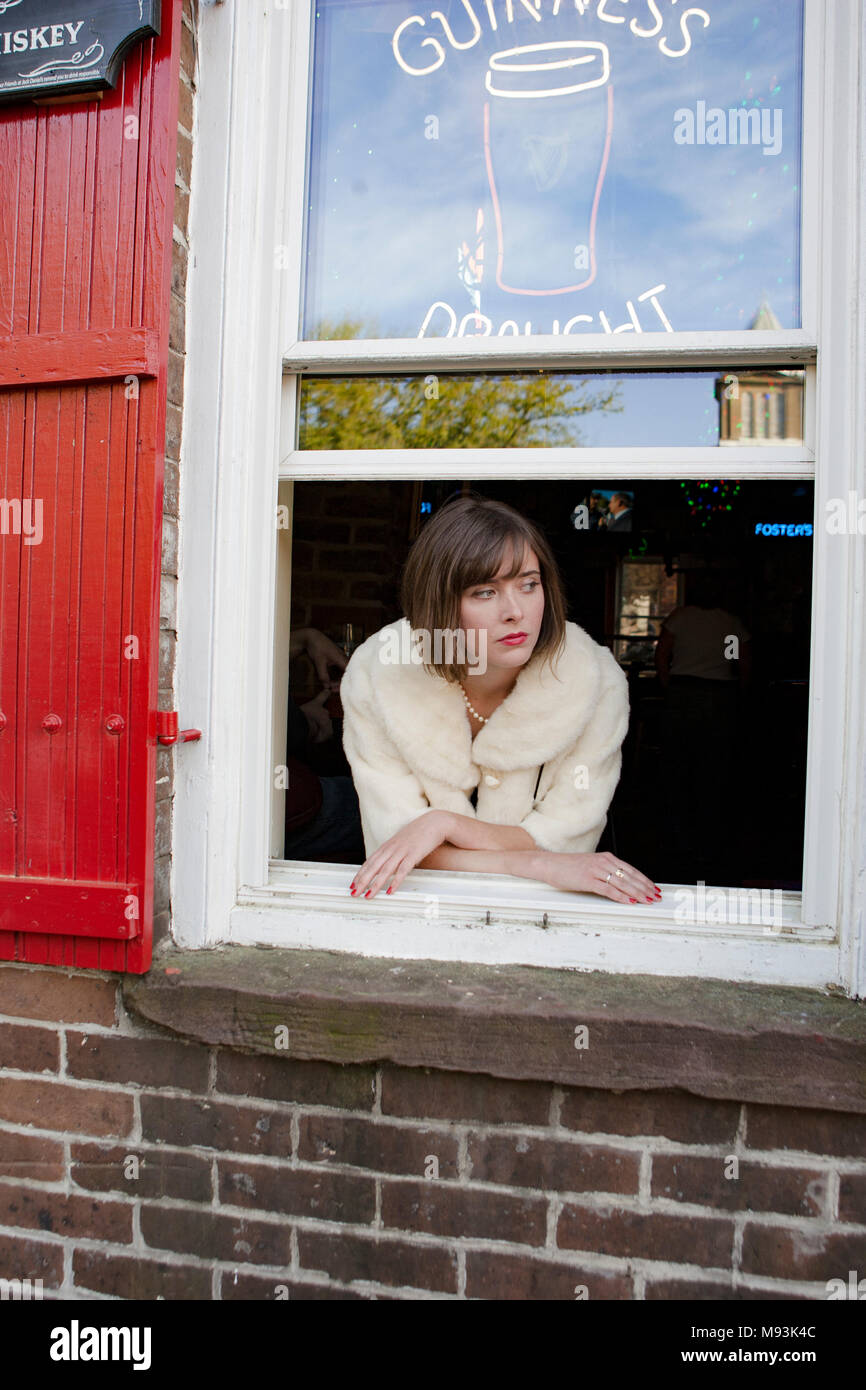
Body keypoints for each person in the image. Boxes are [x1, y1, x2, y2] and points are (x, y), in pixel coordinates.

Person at [340, 495, 660, 904]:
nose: (515, 611)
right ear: (438, 602)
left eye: (529, 584)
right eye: (485, 592)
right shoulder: (378, 673)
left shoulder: (596, 682)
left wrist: (443, 825)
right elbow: (397, 850)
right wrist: (537, 863)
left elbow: (569, 839)